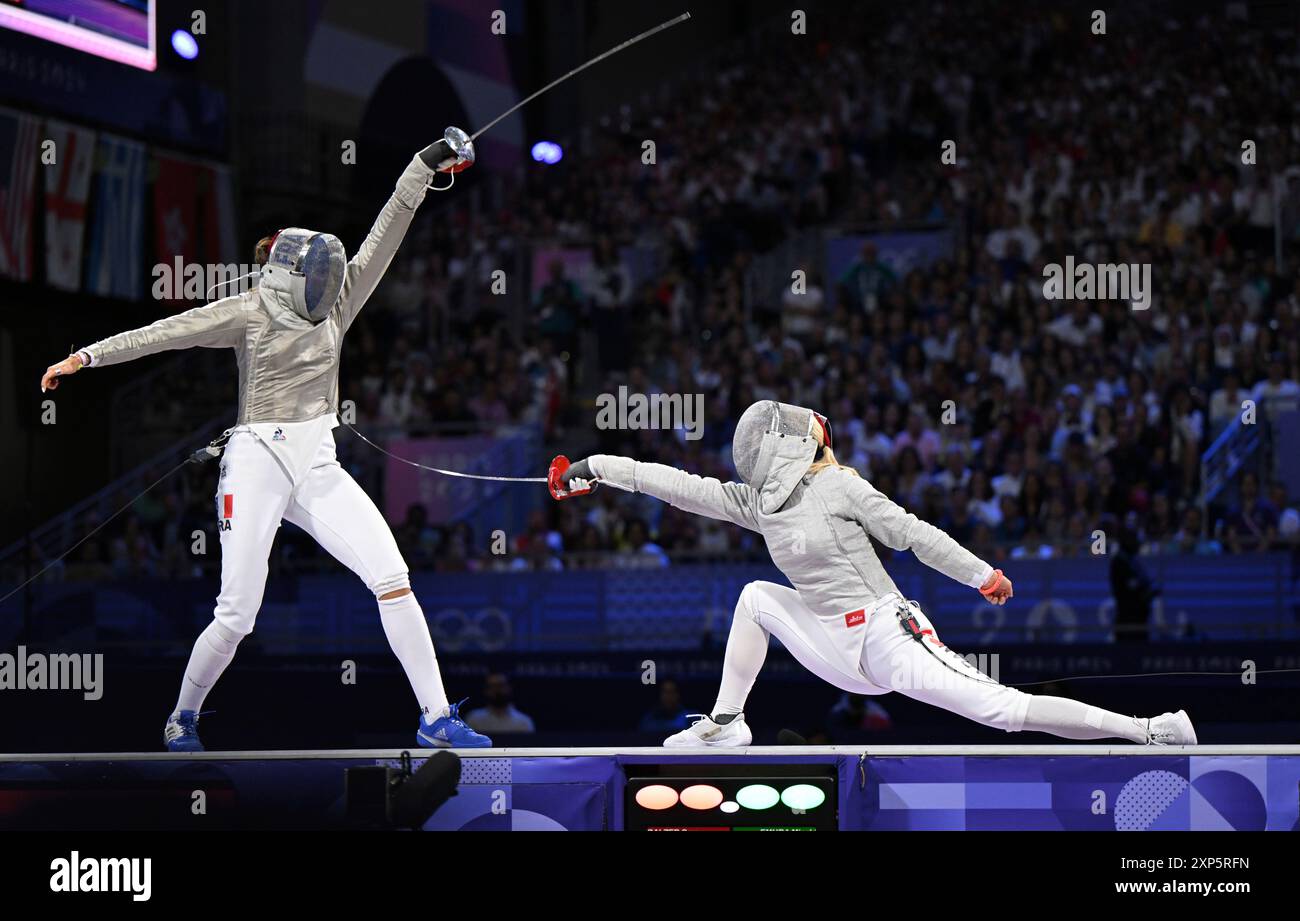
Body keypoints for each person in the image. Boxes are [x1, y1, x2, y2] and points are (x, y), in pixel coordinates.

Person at [39, 136, 491, 752]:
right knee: (238, 614)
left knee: (392, 577)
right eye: (321, 274)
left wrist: (423, 162)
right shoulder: (247, 311)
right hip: (256, 460)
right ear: (289, 274)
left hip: (318, 462)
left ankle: (435, 717)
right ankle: (183, 718)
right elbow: (163, 334)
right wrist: (87, 357)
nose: (332, 282)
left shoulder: (339, 301)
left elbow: (389, 226)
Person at [556, 400, 1196, 747]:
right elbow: (678, 487)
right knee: (755, 596)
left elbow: (913, 535)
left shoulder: (838, 487)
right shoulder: (773, 501)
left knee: (1004, 711)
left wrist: (980, 575)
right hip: (835, 647)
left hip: (890, 638)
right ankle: (727, 725)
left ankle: (1150, 730)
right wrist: (595, 466)